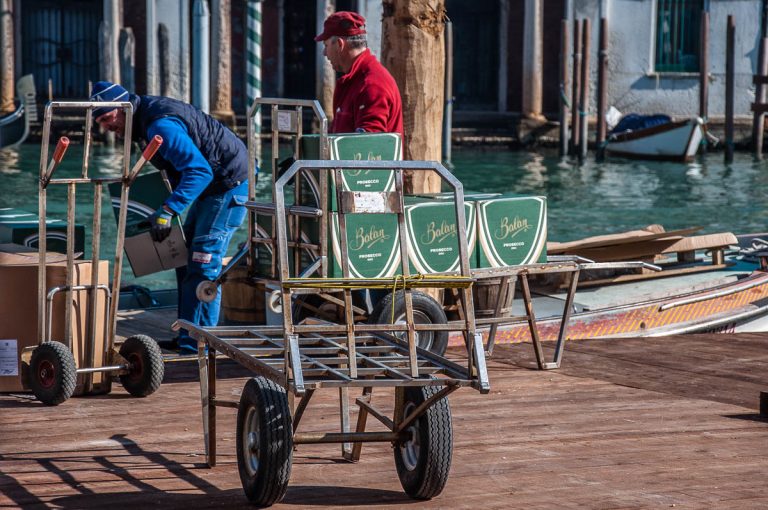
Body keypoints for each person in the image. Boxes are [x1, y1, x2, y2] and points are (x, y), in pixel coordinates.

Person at [90, 81, 250, 354]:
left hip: (228, 185)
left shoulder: (159, 125)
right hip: (212, 186)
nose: (106, 127)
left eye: (107, 118)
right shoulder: (143, 118)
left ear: (122, 108)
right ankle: (187, 337)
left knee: (203, 263)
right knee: (186, 260)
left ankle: (204, 346)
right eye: (100, 122)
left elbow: (199, 172)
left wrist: (167, 211)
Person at [316, 11, 404, 137]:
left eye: (326, 45)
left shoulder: (371, 85)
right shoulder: (354, 80)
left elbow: (368, 147)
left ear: (340, 44)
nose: (324, 53)